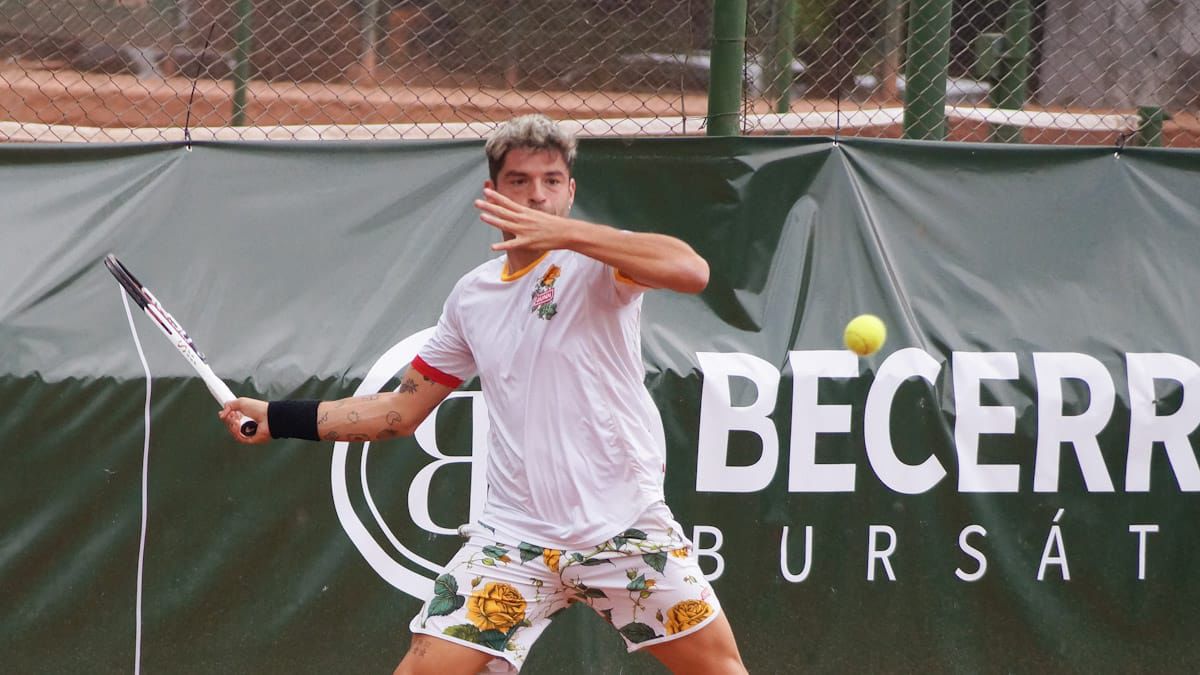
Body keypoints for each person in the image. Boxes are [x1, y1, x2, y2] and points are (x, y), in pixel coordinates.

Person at [218, 114, 747, 674]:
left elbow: (691, 270)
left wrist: (567, 236)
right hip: (514, 542)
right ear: (492, 194)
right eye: (520, 181)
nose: (536, 195)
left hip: (625, 531)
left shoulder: (602, 267)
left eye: (551, 181)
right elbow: (399, 410)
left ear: (570, 192)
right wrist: (280, 417)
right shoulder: (472, 297)